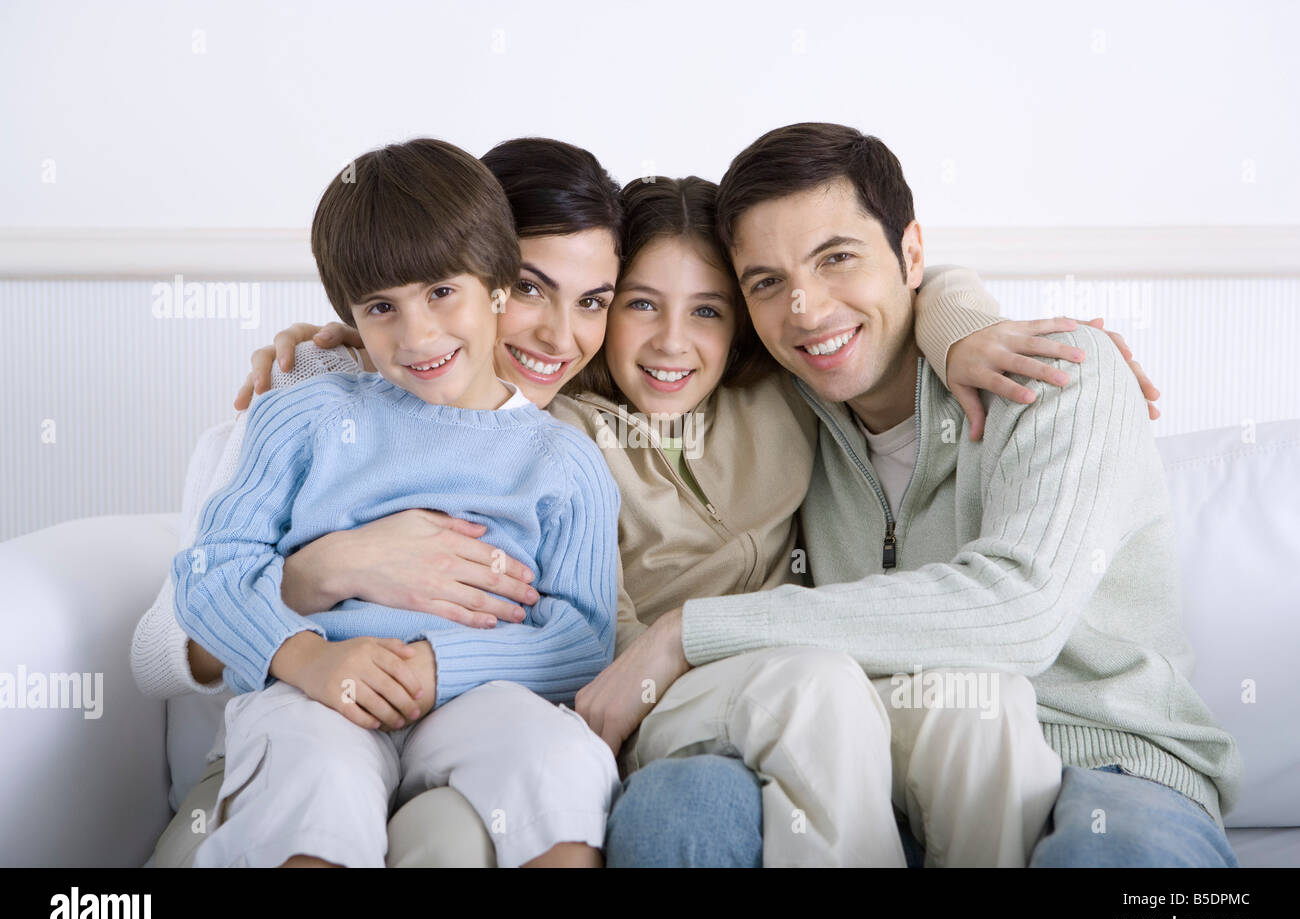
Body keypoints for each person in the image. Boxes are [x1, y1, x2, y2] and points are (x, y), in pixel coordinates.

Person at [136, 135, 1162, 866]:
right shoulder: (325, 401)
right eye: (533, 289)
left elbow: (853, 305)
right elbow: (161, 634)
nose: (557, 333)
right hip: (321, 717)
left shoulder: (755, 391)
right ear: (481, 276)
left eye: (592, 300)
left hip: (541, 711)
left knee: (898, 704)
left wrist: (957, 326)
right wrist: (319, 576)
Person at [576, 122, 1243, 867]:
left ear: (912, 254)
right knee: (680, 816)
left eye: (837, 259)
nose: (805, 306)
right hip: (876, 760)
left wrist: (686, 631)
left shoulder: (1061, 377)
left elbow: (1018, 612)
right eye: (767, 282)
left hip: (1109, 766)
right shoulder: (792, 407)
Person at [545, 174, 1064, 866]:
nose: (672, 342)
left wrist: (961, 330)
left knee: (984, 703)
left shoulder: (782, 396)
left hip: (820, 694)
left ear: (739, 325)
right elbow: (444, 348)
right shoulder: (562, 433)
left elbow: (908, 286)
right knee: (814, 685)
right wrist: (347, 347)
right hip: (659, 700)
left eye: (706, 311)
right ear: (603, 306)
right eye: (642, 304)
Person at [171, 137, 622, 868]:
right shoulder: (304, 413)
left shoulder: (564, 459)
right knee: (312, 780)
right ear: (348, 311)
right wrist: (306, 656)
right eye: (382, 307)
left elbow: (580, 635)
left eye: (443, 292)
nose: (416, 335)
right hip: (320, 691)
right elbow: (208, 573)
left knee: (559, 762)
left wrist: (440, 665)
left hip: (479, 695)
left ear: (496, 287)